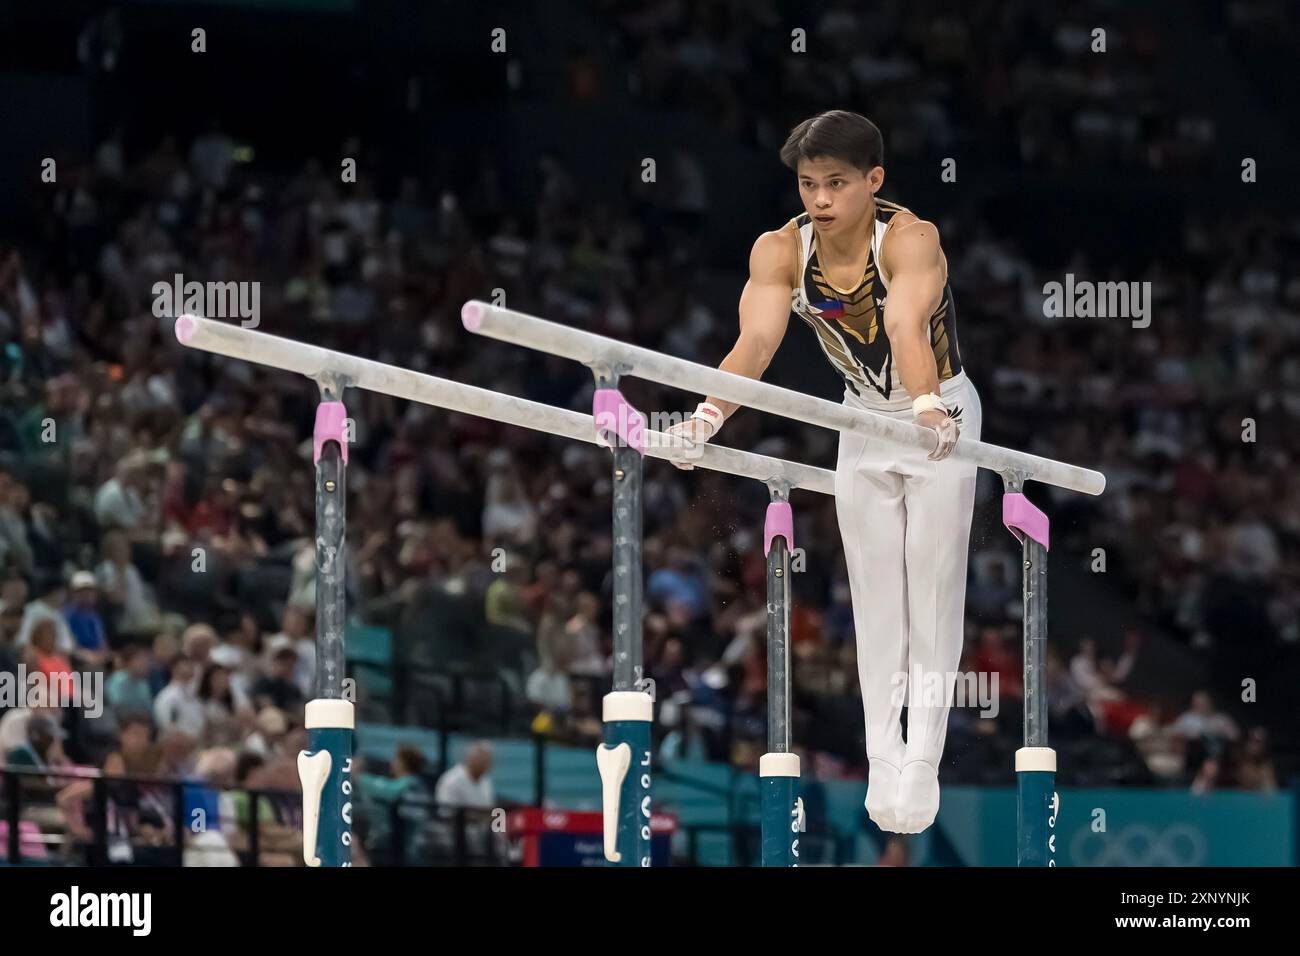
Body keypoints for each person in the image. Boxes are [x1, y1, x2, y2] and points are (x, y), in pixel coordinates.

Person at [665, 111, 980, 834]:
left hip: (941, 410)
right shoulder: (780, 251)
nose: (821, 199)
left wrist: (928, 406)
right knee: (875, 602)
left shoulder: (911, 239)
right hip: (861, 419)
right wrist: (705, 419)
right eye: (808, 184)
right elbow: (757, 342)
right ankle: (882, 756)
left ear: (874, 180)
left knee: (930, 591)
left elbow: (905, 326)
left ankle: (923, 759)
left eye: (837, 183)